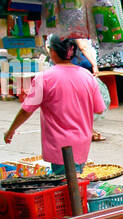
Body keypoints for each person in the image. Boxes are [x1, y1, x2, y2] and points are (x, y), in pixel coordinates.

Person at [3, 34, 106, 173]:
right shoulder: (87, 76)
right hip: (82, 143)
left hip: (58, 146)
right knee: (75, 183)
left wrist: (11, 130)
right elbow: (99, 109)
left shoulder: (44, 78)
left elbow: (26, 110)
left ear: (52, 52)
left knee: (64, 187)